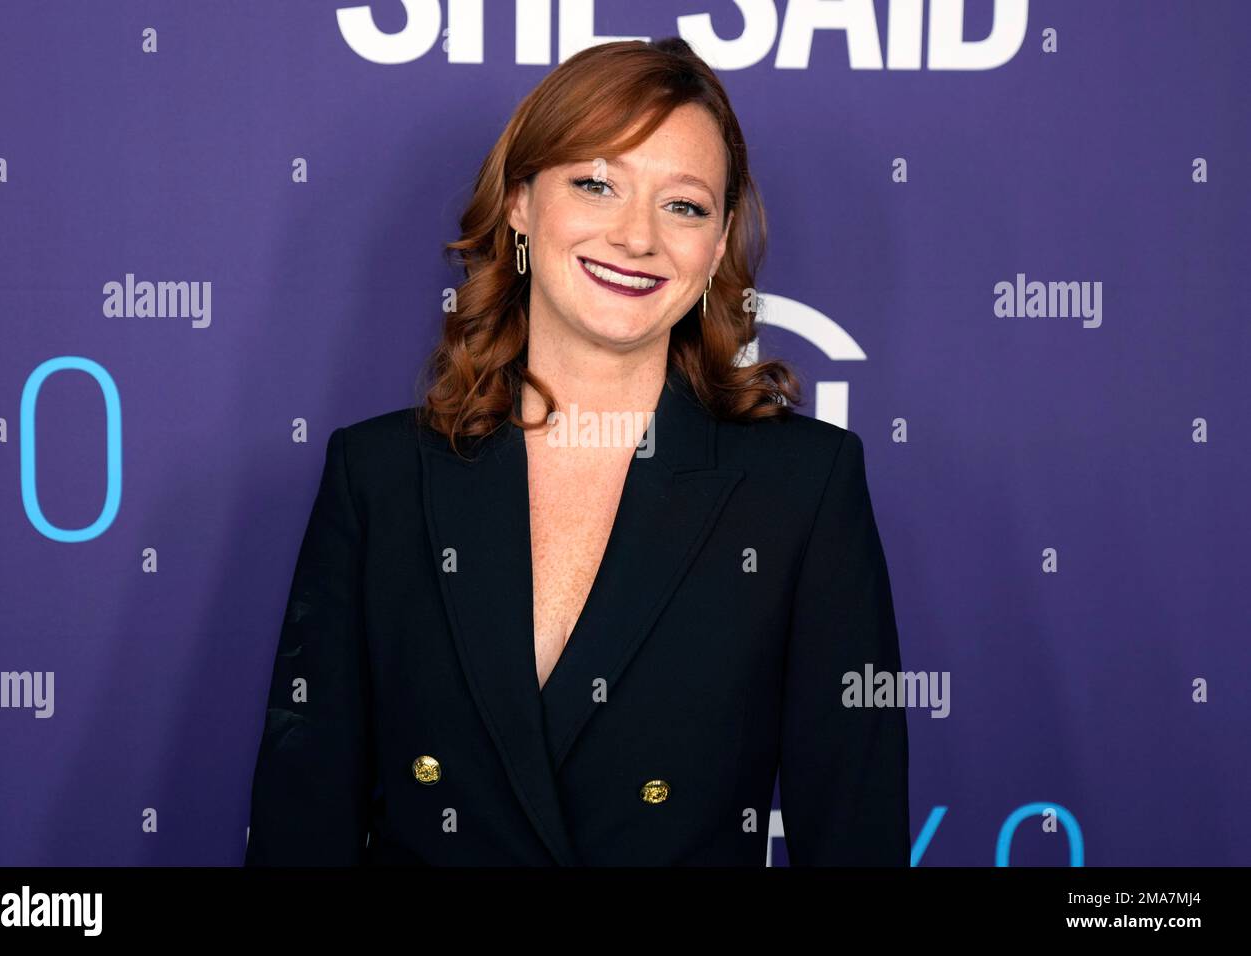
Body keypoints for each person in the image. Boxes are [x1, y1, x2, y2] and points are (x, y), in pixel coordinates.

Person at [244, 36, 908, 866]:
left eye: (685, 205)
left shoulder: (803, 489)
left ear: (720, 242)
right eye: (596, 184)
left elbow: (855, 832)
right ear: (520, 203)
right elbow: (302, 826)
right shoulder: (378, 477)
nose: (637, 238)